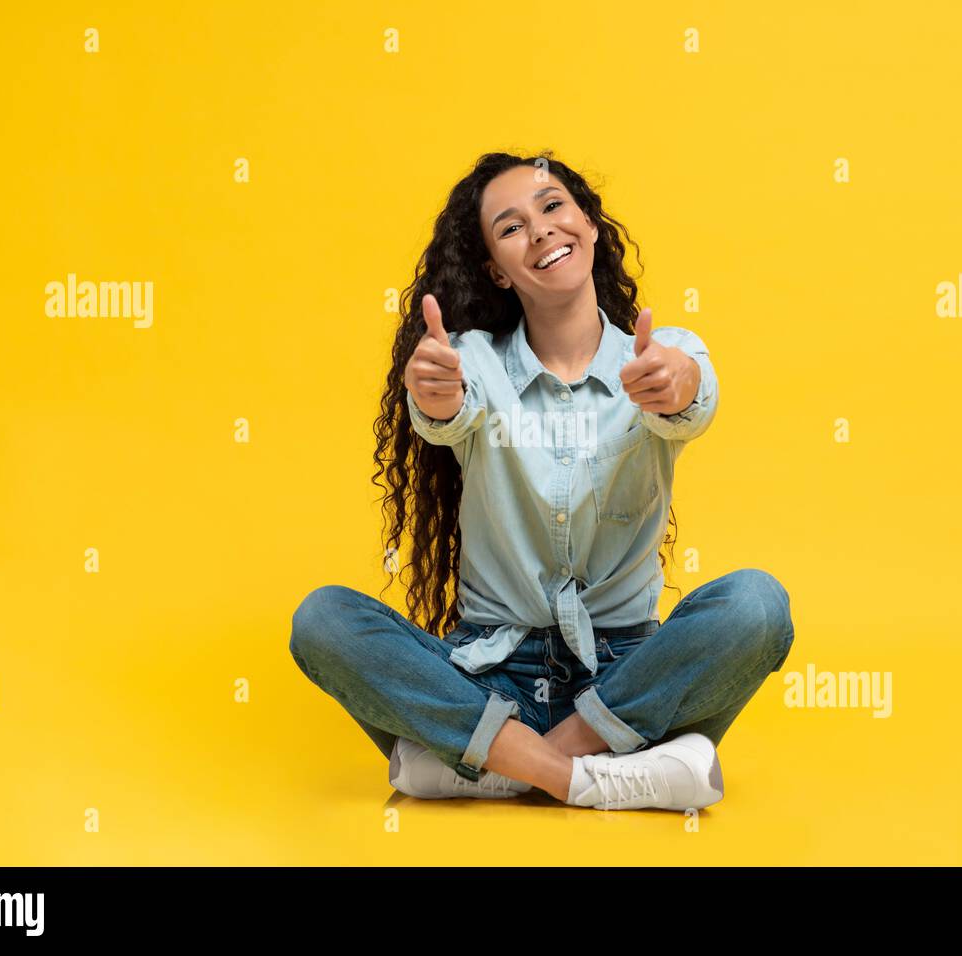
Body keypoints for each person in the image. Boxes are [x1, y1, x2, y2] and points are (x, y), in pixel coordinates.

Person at [289, 150, 795, 811]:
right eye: (510, 226)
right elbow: (444, 407)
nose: (541, 230)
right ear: (497, 270)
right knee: (324, 620)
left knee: (756, 606)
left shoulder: (660, 353)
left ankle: (492, 766)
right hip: (491, 675)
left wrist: (674, 381)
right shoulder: (472, 361)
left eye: (553, 206)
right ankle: (599, 779)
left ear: (587, 222)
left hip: (625, 680)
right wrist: (434, 393)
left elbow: (688, 388)